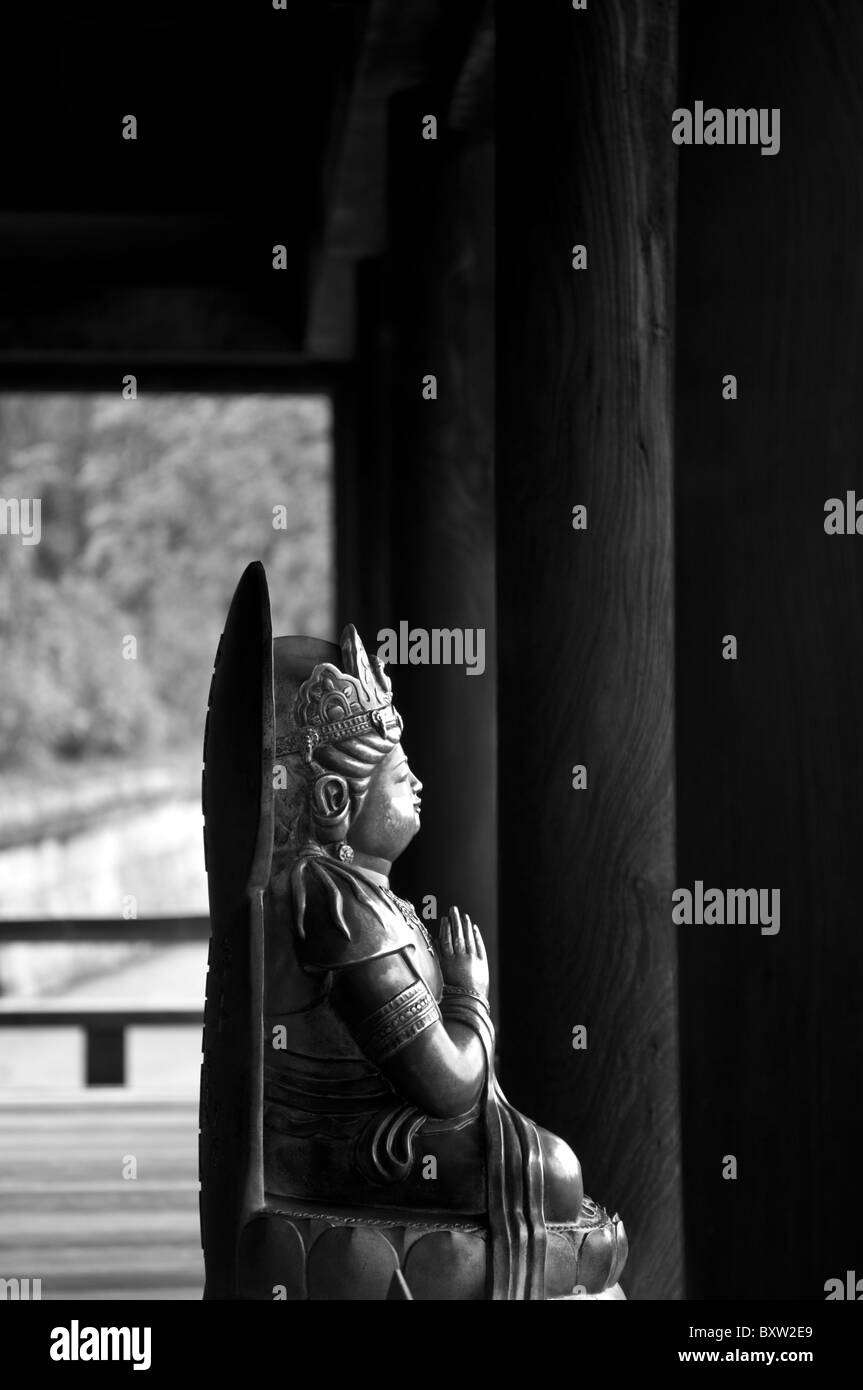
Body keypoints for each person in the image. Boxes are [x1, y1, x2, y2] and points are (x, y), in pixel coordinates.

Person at [261, 624, 627, 1299]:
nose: (420, 784)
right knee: (554, 1173)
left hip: (362, 1140)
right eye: (401, 775)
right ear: (335, 800)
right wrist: (469, 995)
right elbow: (448, 1087)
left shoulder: (357, 894)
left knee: (557, 1184)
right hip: (339, 1150)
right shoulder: (334, 904)